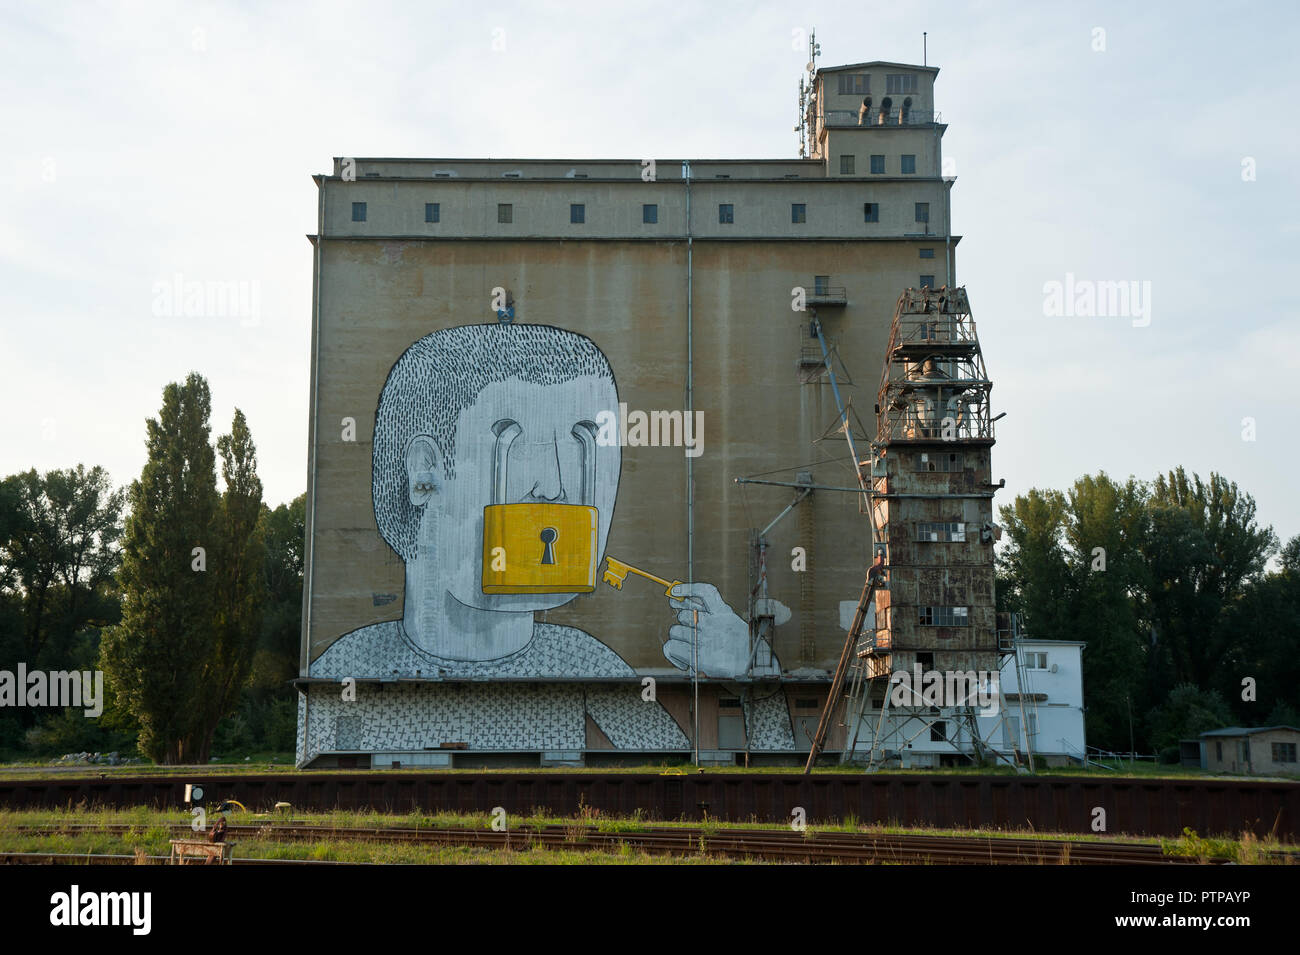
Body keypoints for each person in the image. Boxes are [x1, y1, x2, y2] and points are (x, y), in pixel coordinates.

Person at [300, 323, 793, 765]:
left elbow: (694, 787)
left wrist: (750, 671)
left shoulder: (583, 664)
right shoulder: (345, 673)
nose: (557, 487)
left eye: (585, 445)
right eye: (512, 444)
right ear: (424, 473)